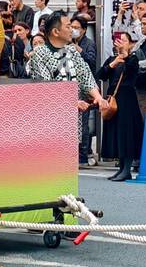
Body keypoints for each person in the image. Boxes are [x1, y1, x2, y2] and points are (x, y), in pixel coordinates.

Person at [28, 12, 103, 164]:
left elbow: (85, 75)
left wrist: (99, 98)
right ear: (56, 32)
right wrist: (73, 103)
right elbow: (46, 87)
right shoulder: (40, 54)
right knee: (49, 164)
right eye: (68, 26)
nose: (72, 30)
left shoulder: (72, 51)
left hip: (71, 117)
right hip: (49, 117)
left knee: (67, 163)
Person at [98, 30, 142, 182]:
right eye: (118, 40)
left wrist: (125, 55)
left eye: (124, 40)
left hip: (128, 100)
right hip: (113, 99)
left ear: (130, 43)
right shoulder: (112, 59)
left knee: (126, 134)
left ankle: (127, 169)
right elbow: (101, 75)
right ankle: (121, 168)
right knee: (116, 133)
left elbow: (132, 72)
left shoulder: (133, 58)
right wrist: (113, 63)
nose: (120, 43)